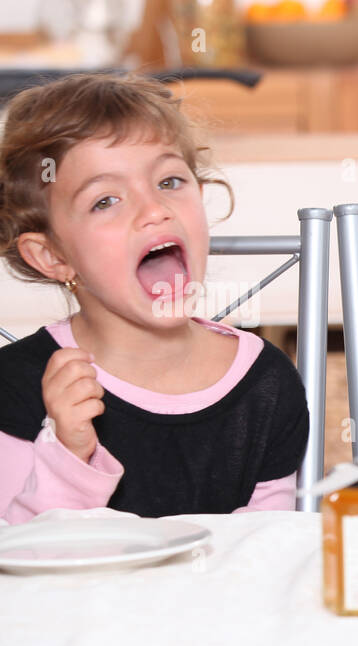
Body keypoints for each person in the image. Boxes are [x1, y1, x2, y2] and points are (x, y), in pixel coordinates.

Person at [0, 74, 308, 524]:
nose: (154, 210)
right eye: (105, 200)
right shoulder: (17, 387)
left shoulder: (266, 383)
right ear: (52, 255)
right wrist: (67, 453)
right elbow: (18, 566)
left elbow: (267, 555)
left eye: (168, 182)